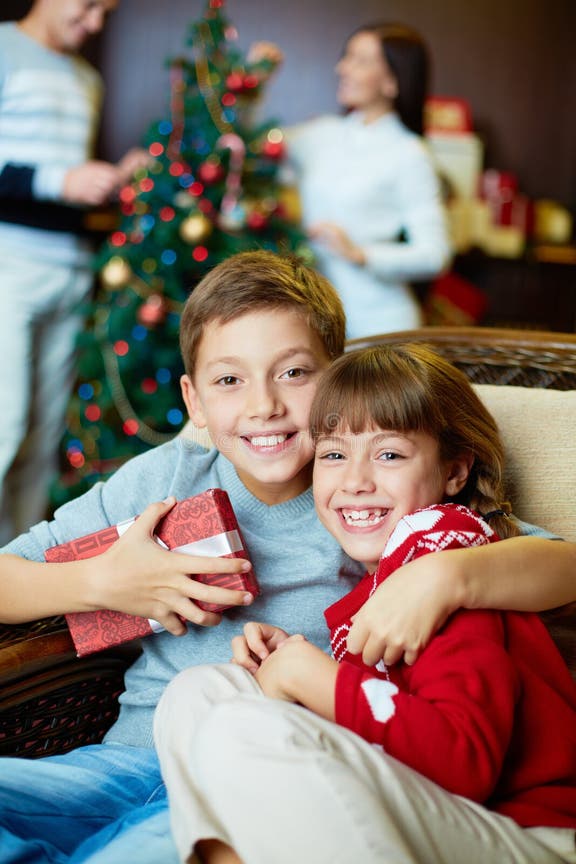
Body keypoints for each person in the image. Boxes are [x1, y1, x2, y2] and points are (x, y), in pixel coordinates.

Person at [0, 251, 573, 864]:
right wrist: (102, 581)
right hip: (128, 755)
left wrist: (447, 575)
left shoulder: (381, 512)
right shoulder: (167, 477)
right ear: (194, 401)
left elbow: (559, 564)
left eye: (294, 373)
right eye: (229, 380)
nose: (264, 406)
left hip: (269, 783)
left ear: (338, 379)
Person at [154, 344, 576, 864]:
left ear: (455, 472)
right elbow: (394, 720)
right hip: (434, 812)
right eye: (333, 454)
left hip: (524, 833)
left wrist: (312, 679)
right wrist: (301, 668)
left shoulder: (444, 565)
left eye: (389, 454)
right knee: (199, 691)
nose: (354, 481)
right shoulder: (381, 585)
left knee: (243, 726)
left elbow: (464, 765)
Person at [0, 0, 149, 545]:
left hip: (70, 270)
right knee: (4, 427)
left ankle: (14, 580)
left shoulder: (87, 77)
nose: (95, 25)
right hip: (8, 270)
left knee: (41, 443)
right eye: (90, 7)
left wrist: (113, 179)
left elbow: (71, 181)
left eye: (106, 14)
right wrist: (56, 180)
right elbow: (53, 178)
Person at [249, 22, 451, 339]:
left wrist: (359, 253)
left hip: (381, 328)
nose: (342, 67)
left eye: (361, 60)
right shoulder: (322, 135)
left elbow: (434, 254)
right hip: (316, 321)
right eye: (346, 57)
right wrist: (255, 83)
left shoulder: (409, 154)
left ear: (392, 81)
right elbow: (252, 146)